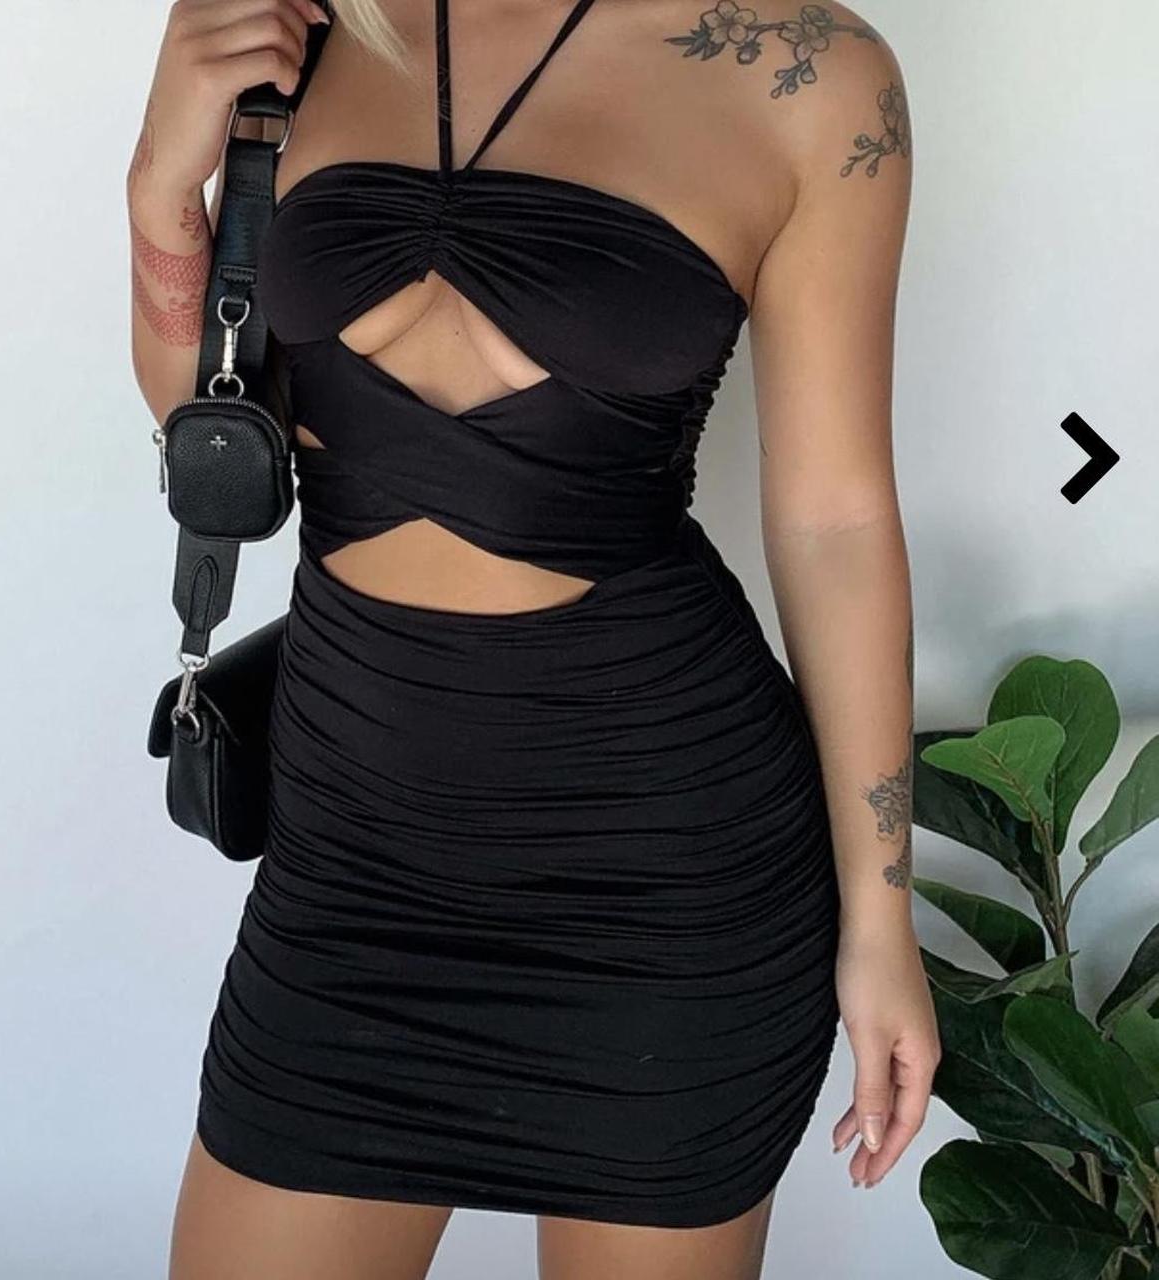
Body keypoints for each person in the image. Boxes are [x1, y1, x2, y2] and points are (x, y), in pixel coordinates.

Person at [127, 1, 940, 1276]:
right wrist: (158, 181)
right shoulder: (298, 26)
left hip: (666, 898)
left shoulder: (811, 74)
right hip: (350, 875)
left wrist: (878, 923)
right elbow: (215, 431)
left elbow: (832, 523)